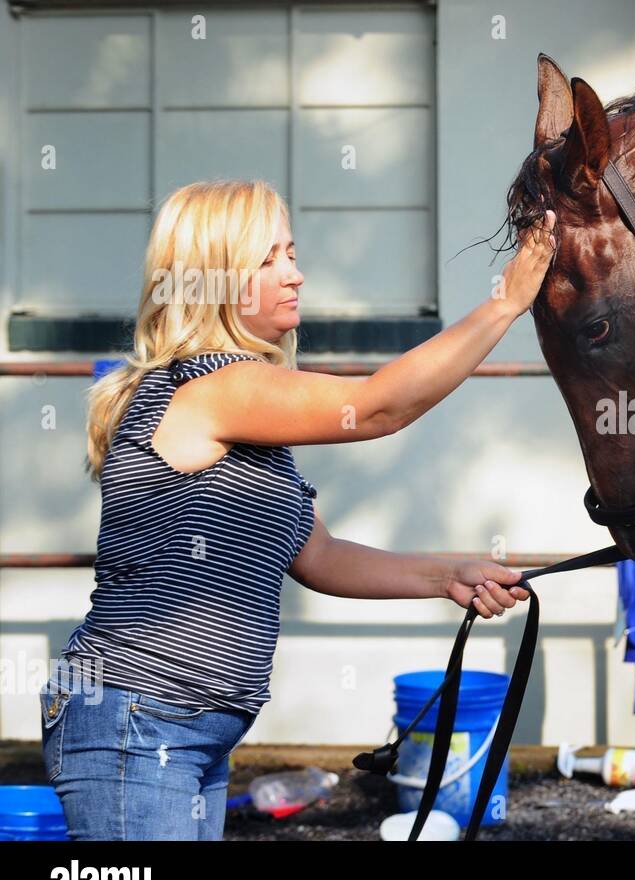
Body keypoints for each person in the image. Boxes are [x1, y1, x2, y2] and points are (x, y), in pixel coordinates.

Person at [39, 179, 556, 840]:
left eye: (290, 253)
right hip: (136, 718)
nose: (295, 274)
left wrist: (448, 576)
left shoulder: (248, 417)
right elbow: (378, 407)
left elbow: (320, 556)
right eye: (267, 260)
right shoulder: (214, 388)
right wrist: (505, 303)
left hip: (187, 725)